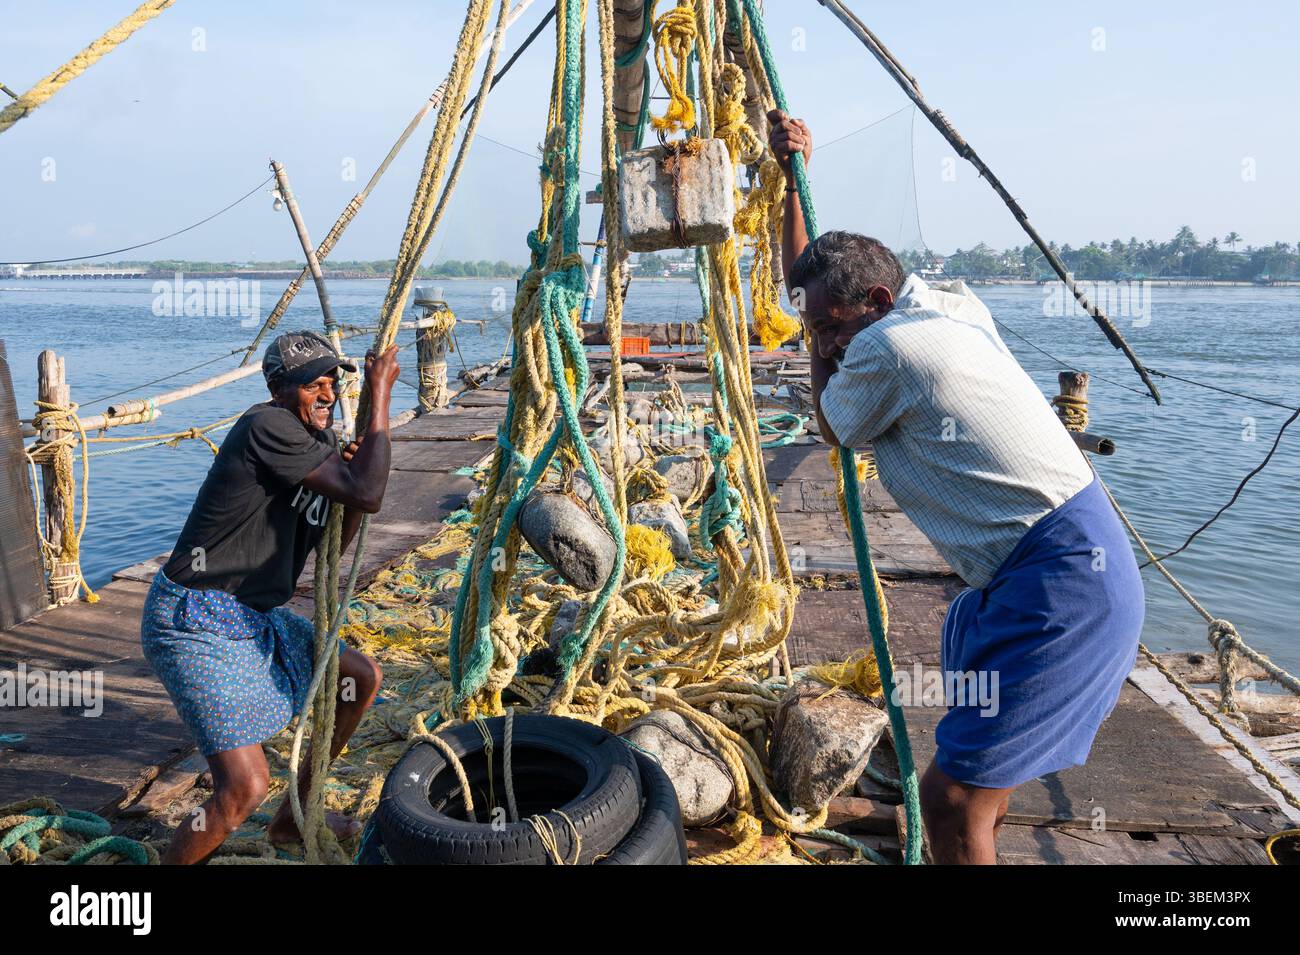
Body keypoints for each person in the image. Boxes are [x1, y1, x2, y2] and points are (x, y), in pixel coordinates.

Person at [768, 110, 1145, 864]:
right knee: (979, 789)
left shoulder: (890, 349)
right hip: (1069, 560)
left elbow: (835, 428)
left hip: (1062, 584)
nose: (828, 345)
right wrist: (792, 180)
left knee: (949, 800)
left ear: (873, 307)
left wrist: (819, 348)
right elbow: (807, 284)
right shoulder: (945, 303)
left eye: (829, 330)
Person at [140, 329, 400, 864]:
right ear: (279, 388)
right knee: (242, 788)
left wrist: (351, 483)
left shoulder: (316, 444)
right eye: (314, 385)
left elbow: (335, 537)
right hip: (196, 617)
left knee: (358, 676)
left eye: (333, 382)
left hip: (251, 615)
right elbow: (370, 493)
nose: (328, 394)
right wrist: (380, 397)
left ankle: (292, 816)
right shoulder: (266, 425)